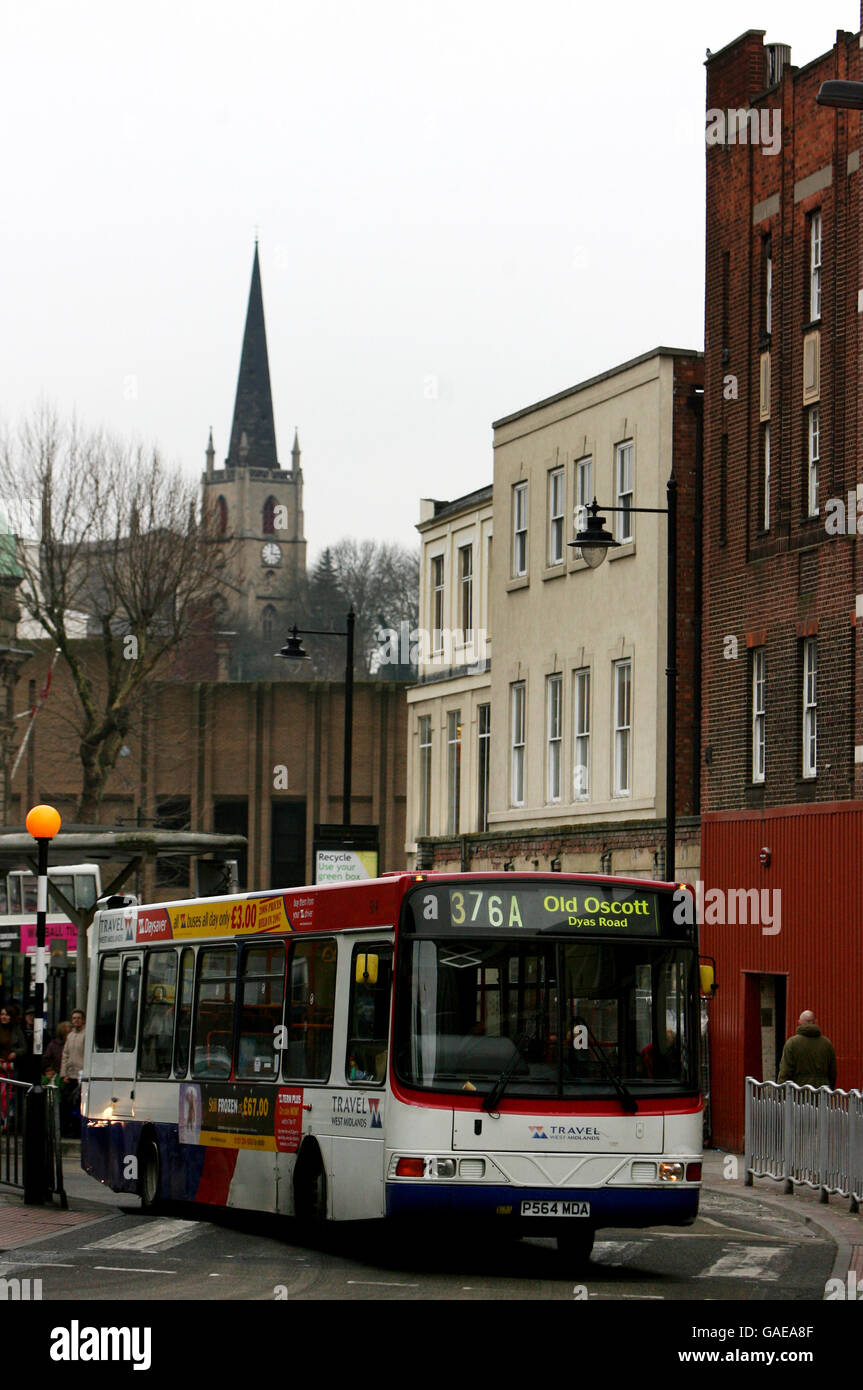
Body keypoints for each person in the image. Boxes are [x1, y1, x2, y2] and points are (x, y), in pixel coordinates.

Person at [777, 1009, 837, 1089]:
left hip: (799, 1092)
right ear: (815, 1021)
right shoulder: (826, 1043)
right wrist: (829, 1089)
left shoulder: (792, 1043)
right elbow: (832, 1071)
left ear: (799, 1022)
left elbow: (785, 1071)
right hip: (822, 1091)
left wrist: (781, 1093)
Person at [0, 1004, 26, 1126]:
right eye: (2, 1014)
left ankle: (7, 1122)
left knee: (9, 1094)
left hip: (11, 1067)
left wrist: (15, 1053)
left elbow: (24, 1048)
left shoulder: (16, 1030)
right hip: (0, 1065)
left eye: (6, 1015)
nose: (3, 1017)